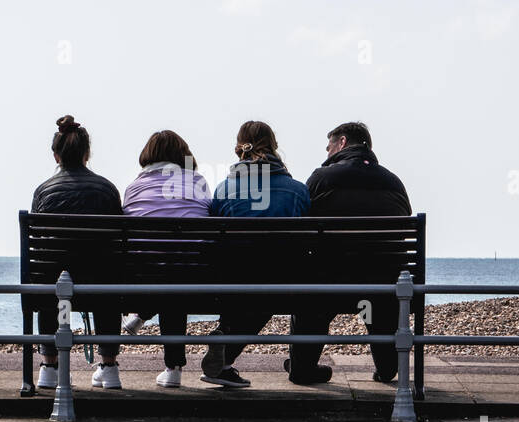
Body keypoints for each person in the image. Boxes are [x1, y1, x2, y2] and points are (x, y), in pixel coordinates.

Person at [287, 121, 411, 384]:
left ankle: (302, 367)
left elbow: (302, 226)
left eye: (329, 146)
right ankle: (388, 367)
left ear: (342, 143)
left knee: (312, 295)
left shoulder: (322, 177)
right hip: (383, 287)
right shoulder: (394, 181)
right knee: (379, 292)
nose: (327, 152)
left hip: (329, 284)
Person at [201, 121, 310, 387]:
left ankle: (225, 352)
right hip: (281, 282)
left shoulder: (224, 189)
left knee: (240, 272)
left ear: (239, 148)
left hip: (229, 280)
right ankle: (227, 356)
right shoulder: (297, 190)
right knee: (270, 280)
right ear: (273, 146)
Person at [30, 115, 124, 389]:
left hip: (56, 285)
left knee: (51, 280)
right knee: (106, 279)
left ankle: (49, 367)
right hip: (100, 285)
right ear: (87, 153)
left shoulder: (43, 191)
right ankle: (108, 367)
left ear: (56, 155)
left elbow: (39, 243)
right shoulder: (107, 189)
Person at [120, 130, 211, 387]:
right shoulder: (198, 182)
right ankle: (173, 368)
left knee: (163, 267)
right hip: (193, 274)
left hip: (143, 277)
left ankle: (142, 315)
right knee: (176, 270)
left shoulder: (134, 187)